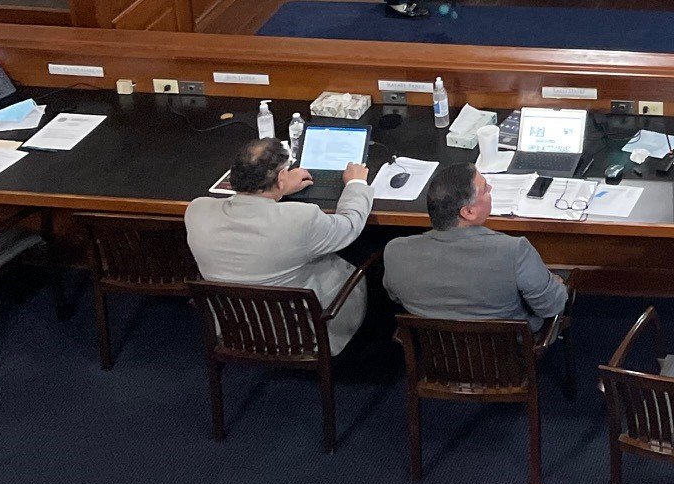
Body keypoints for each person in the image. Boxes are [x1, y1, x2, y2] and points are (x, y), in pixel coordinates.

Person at [184, 138, 373, 353]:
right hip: (299, 334)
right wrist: (356, 184)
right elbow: (350, 225)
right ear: (281, 178)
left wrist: (279, 191)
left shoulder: (196, 211)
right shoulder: (301, 219)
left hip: (236, 329)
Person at [383, 165, 569, 328]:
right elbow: (551, 306)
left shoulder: (394, 252)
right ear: (468, 212)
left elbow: (396, 297)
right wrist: (556, 283)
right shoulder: (514, 251)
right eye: (485, 189)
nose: (491, 188)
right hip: (508, 351)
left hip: (438, 354)